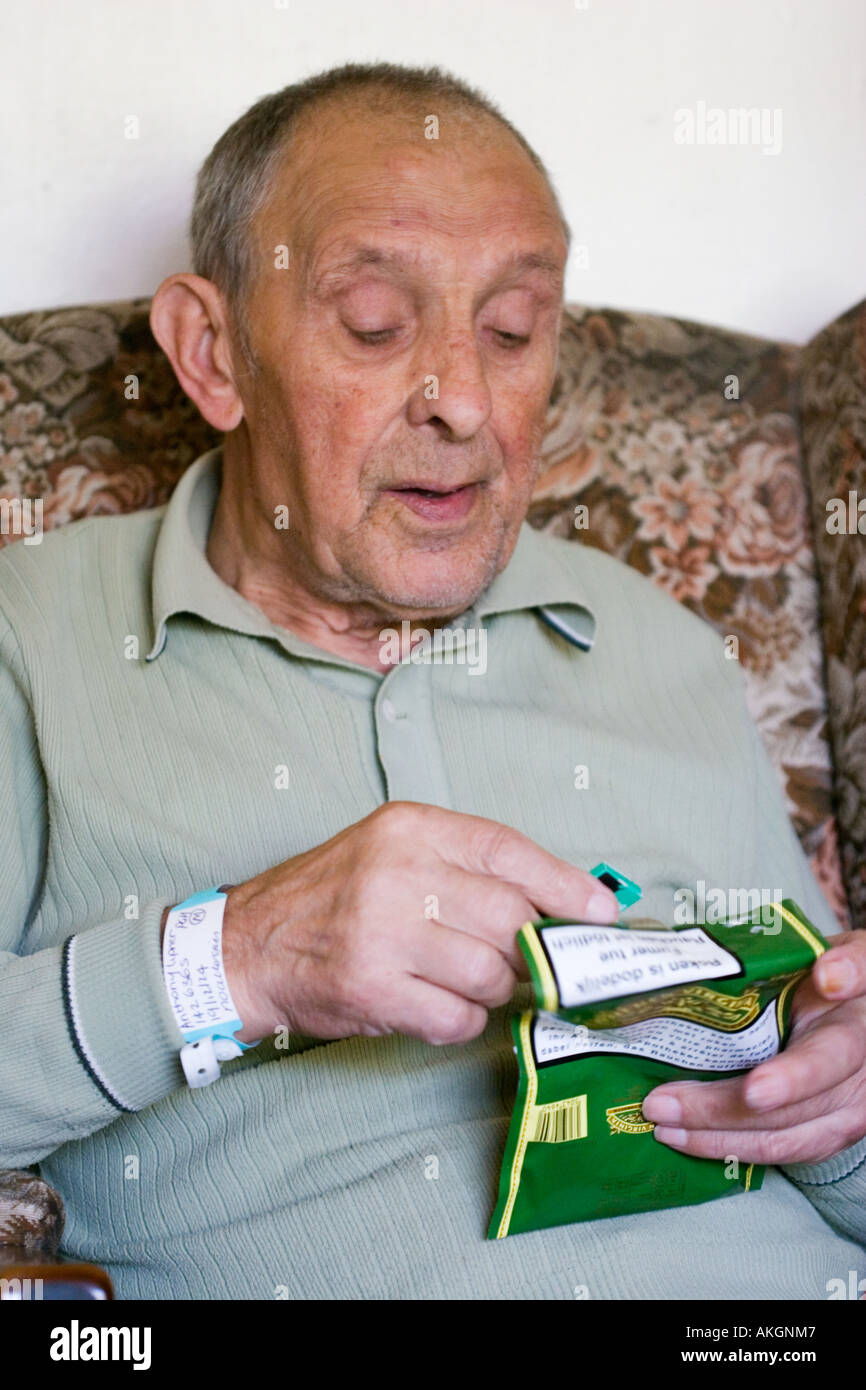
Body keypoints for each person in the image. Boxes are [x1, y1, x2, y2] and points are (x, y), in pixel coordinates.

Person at [1, 62, 864, 1301]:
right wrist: (233, 961)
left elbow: (827, 1109)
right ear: (212, 352)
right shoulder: (29, 638)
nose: (463, 398)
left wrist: (833, 1100)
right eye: (371, 322)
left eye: (512, 331)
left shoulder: (658, 639)